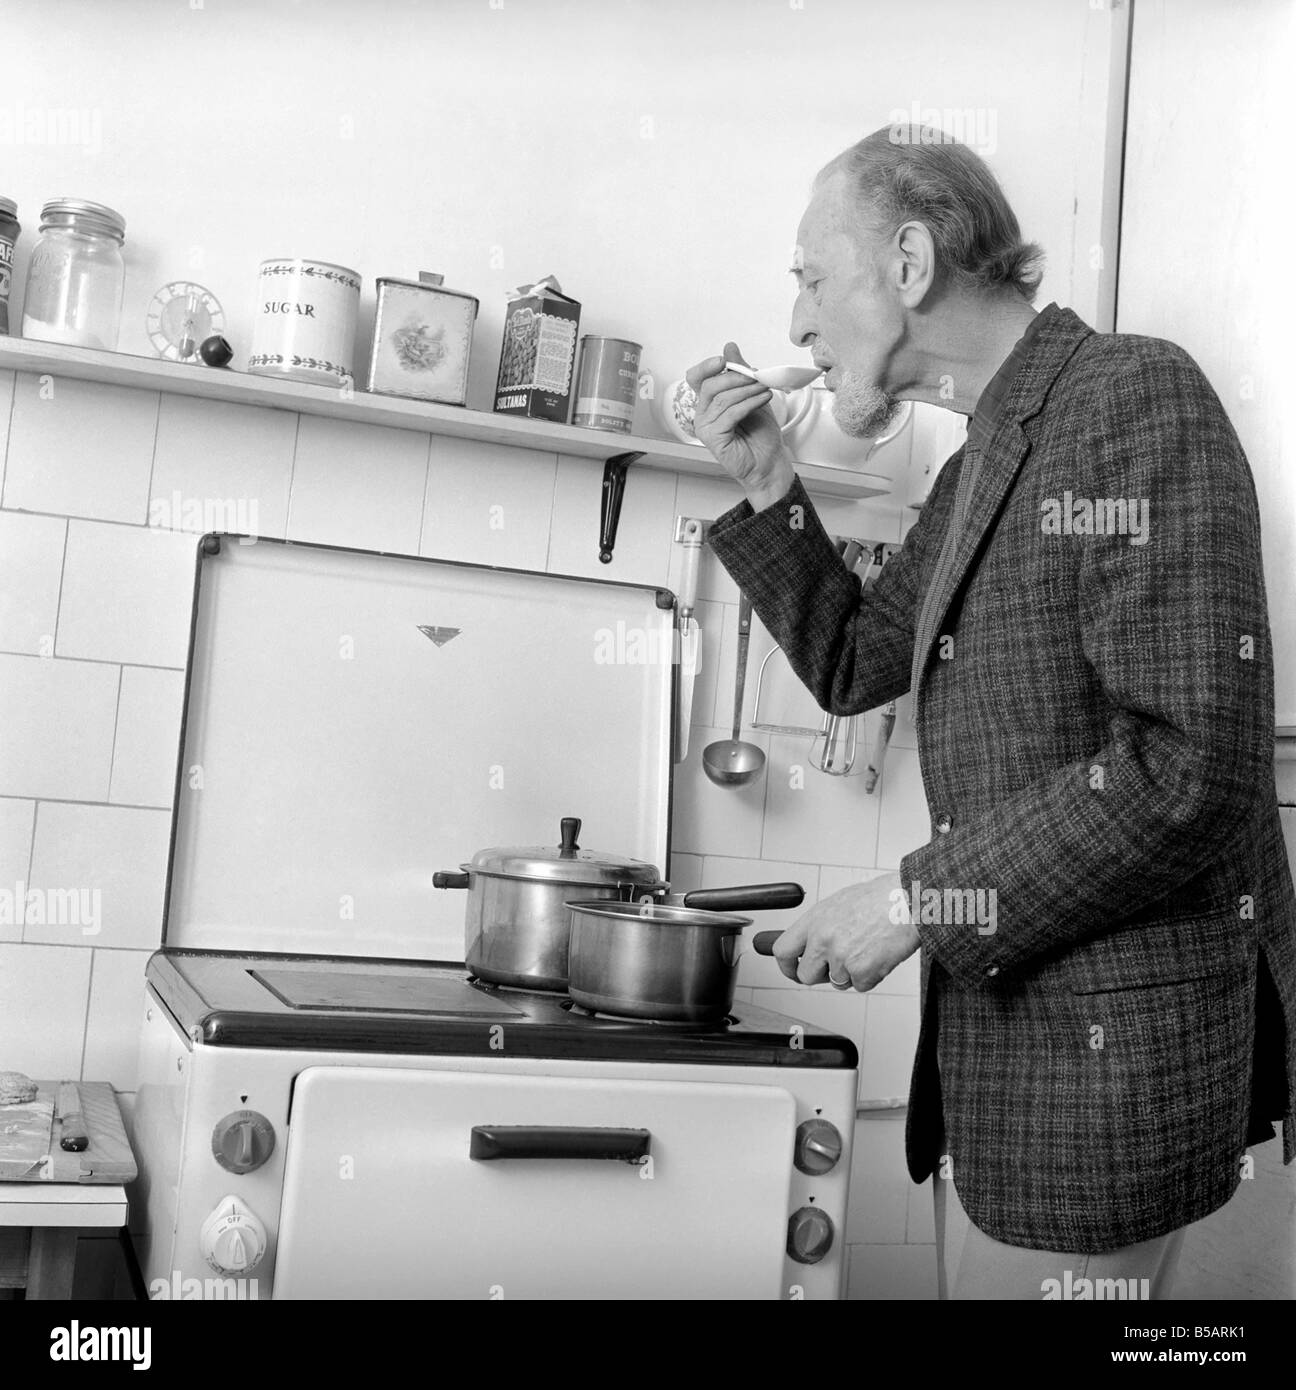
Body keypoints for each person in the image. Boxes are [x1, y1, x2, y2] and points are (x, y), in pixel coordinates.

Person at [687, 123, 1296, 1300]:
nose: (799, 322)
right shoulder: (984, 459)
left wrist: (919, 898)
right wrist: (770, 480)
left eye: (812, 278)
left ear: (908, 264)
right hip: (1008, 1063)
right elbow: (858, 655)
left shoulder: (1131, 396)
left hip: (1109, 1093)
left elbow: (1188, 763)